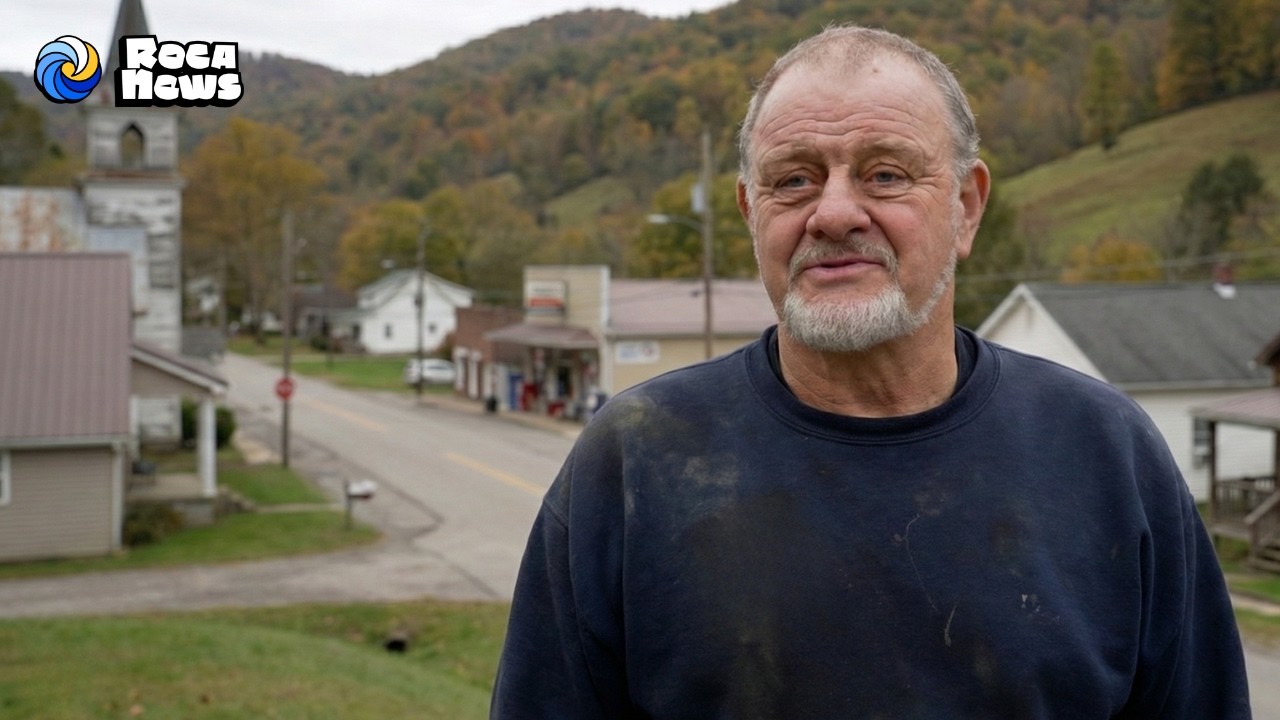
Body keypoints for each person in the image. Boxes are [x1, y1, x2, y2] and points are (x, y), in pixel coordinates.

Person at [490, 24, 1252, 719]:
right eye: (793, 180)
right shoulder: (635, 459)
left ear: (966, 207)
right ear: (751, 212)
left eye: (885, 174)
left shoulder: (1107, 455)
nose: (833, 213)